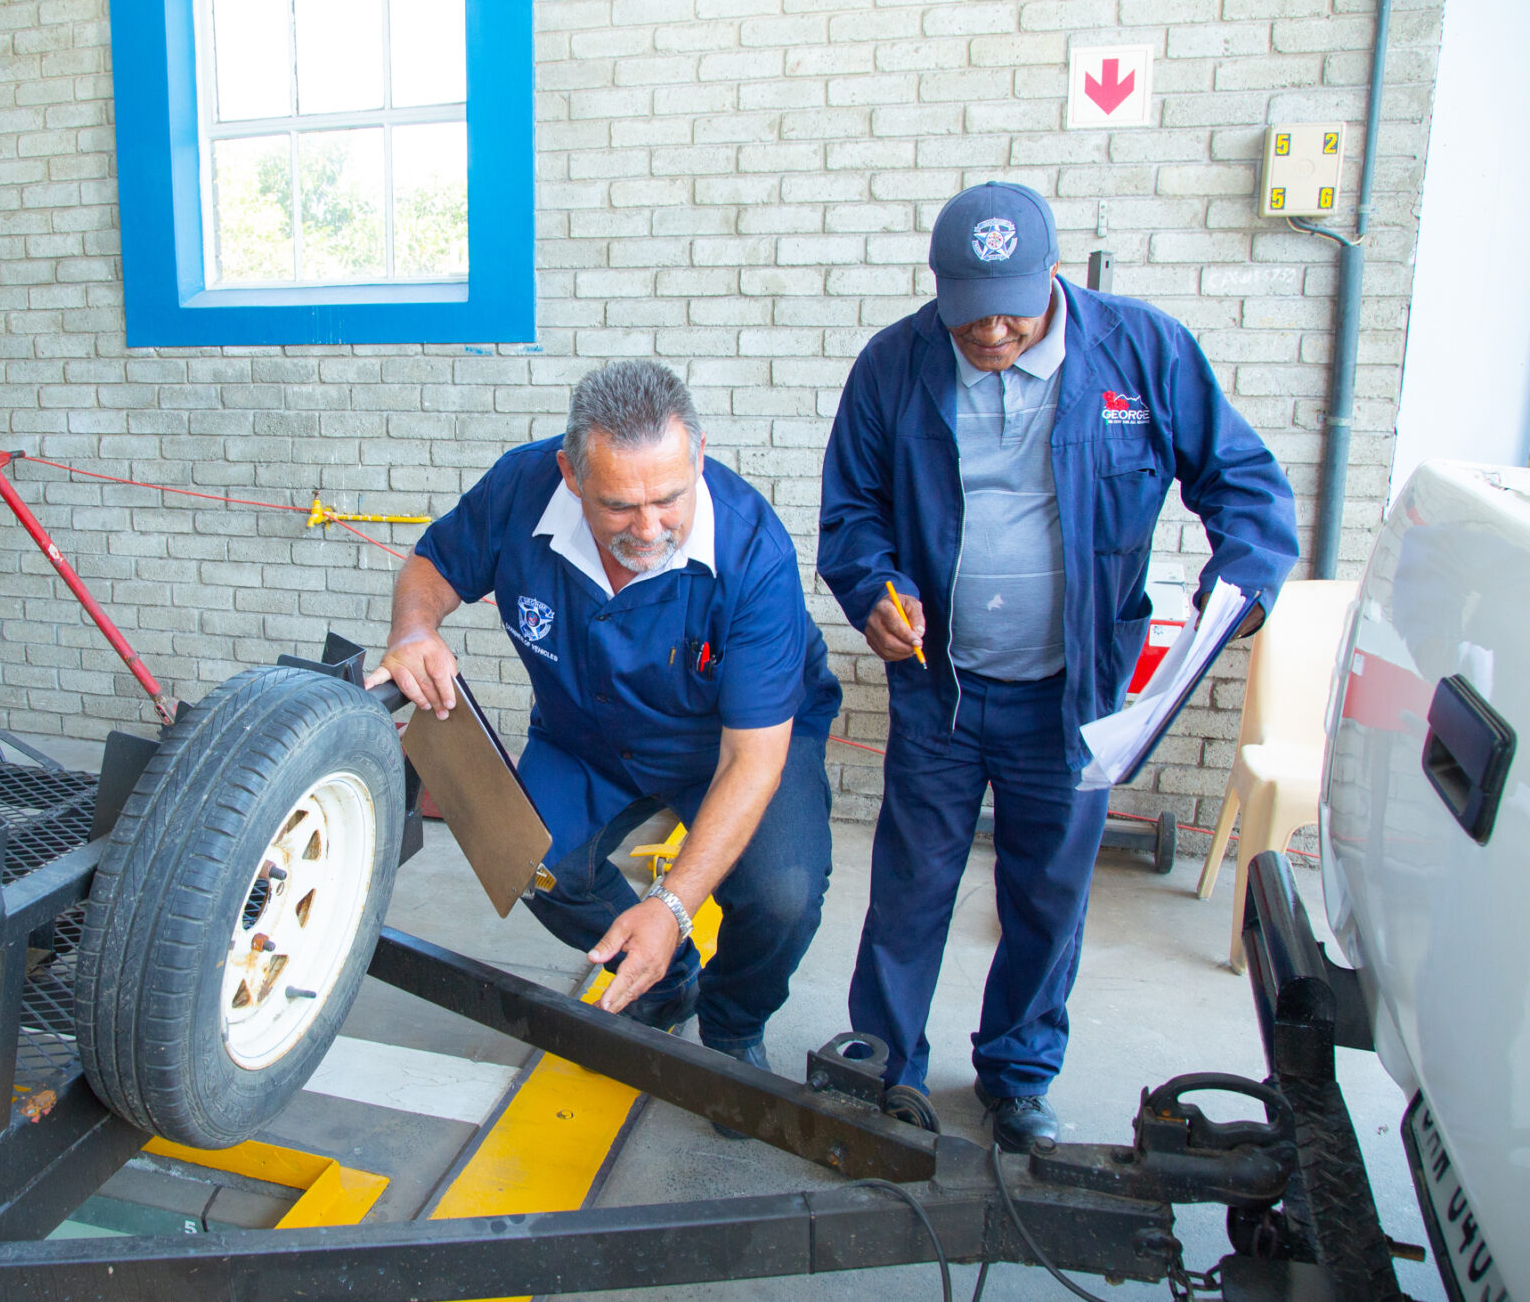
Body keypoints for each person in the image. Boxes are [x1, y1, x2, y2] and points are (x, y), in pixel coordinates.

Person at [818, 181, 1299, 1151]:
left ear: (1051, 279)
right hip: (940, 690)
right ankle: (882, 1070)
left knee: (1045, 896)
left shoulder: (1141, 352)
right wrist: (870, 586)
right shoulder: (893, 364)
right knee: (909, 889)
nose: (989, 331)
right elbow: (851, 510)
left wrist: (1240, 579)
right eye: (967, 312)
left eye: (1009, 307)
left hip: (1074, 700)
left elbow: (1241, 482)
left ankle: (1017, 1075)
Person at [368, 360, 841, 1120]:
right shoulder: (521, 489)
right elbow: (433, 564)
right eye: (620, 505)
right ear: (570, 474)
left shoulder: (755, 555)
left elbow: (754, 759)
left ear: (699, 455)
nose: (649, 528)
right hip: (587, 735)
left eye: (670, 498)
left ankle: (733, 1025)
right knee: (523, 855)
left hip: (729, 743)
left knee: (782, 894)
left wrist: (675, 902)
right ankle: (667, 976)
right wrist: (415, 627)